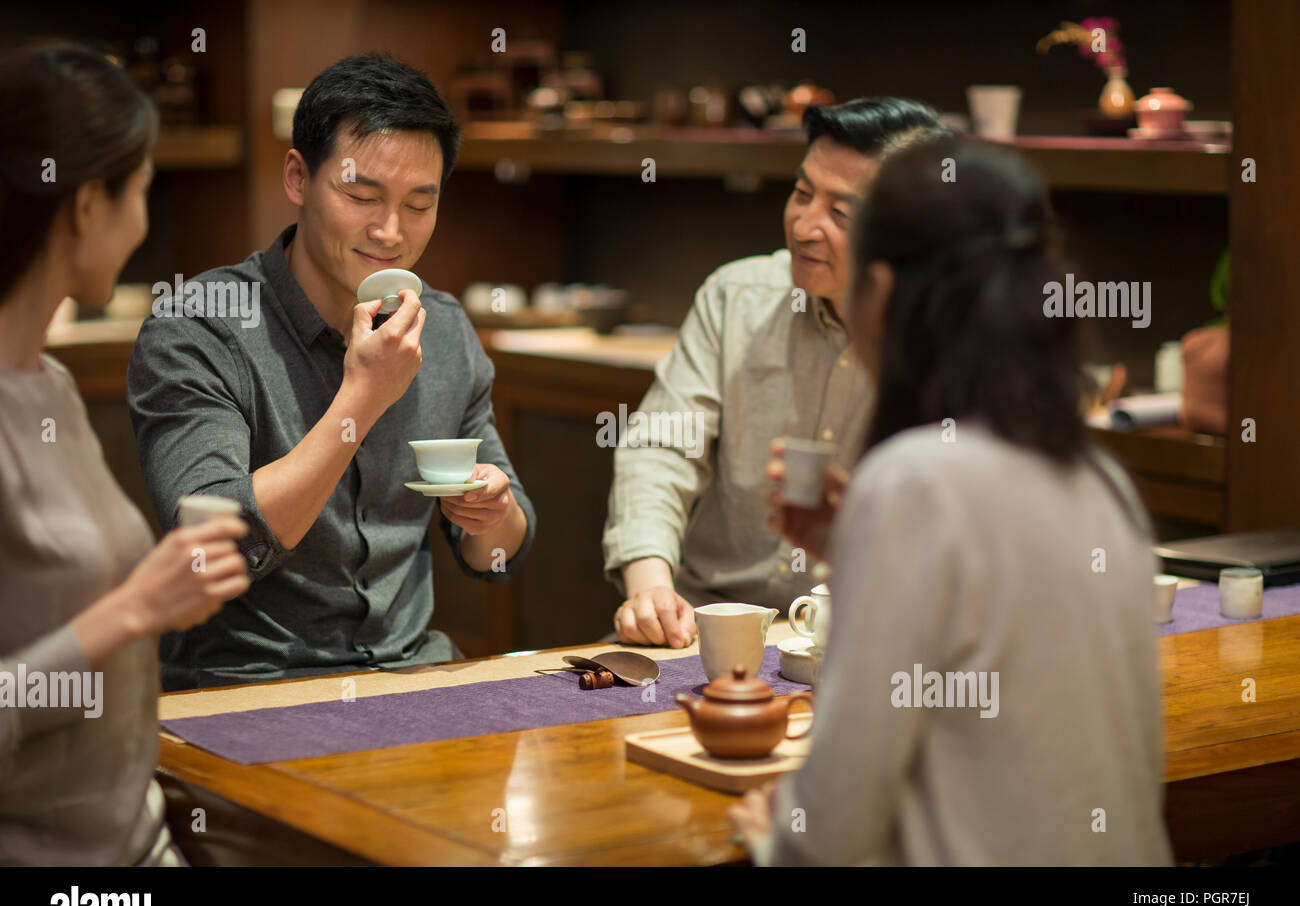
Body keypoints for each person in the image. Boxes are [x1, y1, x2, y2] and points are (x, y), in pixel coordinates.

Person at [731, 137, 1173, 864]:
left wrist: (773, 838)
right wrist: (857, 550)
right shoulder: (1101, 480)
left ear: (884, 291)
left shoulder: (915, 483)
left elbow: (833, 830)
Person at [127, 53, 535, 690]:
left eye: (419, 204)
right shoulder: (198, 326)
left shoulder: (446, 329)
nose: (390, 231)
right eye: (361, 195)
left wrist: (492, 512)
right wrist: (363, 398)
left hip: (412, 672)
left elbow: (498, 555)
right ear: (298, 177)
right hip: (248, 685)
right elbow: (210, 545)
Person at [0, 42, 251, 865]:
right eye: (140, 192)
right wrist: (138, 607)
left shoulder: (53, 388)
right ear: (85, 206)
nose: (144, 222)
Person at [602, 98, 950, 648]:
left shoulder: (950, 341)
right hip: (703, 626)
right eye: (802, 193)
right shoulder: (737, 295)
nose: (805, 226)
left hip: (865, 638)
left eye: (842, 214)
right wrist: (651, 587)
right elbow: (662, 447)